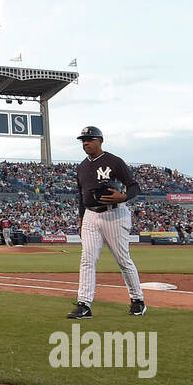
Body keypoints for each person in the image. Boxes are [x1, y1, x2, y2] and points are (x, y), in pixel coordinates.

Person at [68, 126, 145, 319]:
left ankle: (138, 300)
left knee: (123, 259)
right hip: (90, 216)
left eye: (90, 139)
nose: (85, 143)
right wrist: (80, 219)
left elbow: (134, 186)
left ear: (100, 140)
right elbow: (81, 195)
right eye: (83, 140)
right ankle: (84, 304)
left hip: (115, 214)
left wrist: (124, 196)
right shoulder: (81, 167)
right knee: (87, 260)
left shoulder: (114, 161)